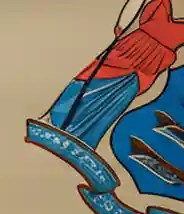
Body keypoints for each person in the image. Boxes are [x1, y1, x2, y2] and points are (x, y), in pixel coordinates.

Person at [46, 0, 184, 149]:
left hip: (149, 66)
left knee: (114, 102)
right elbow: (129, 16)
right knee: (89, 82)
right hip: (129, 50)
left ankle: (82, 137)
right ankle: (57, 119)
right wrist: (121, 31)